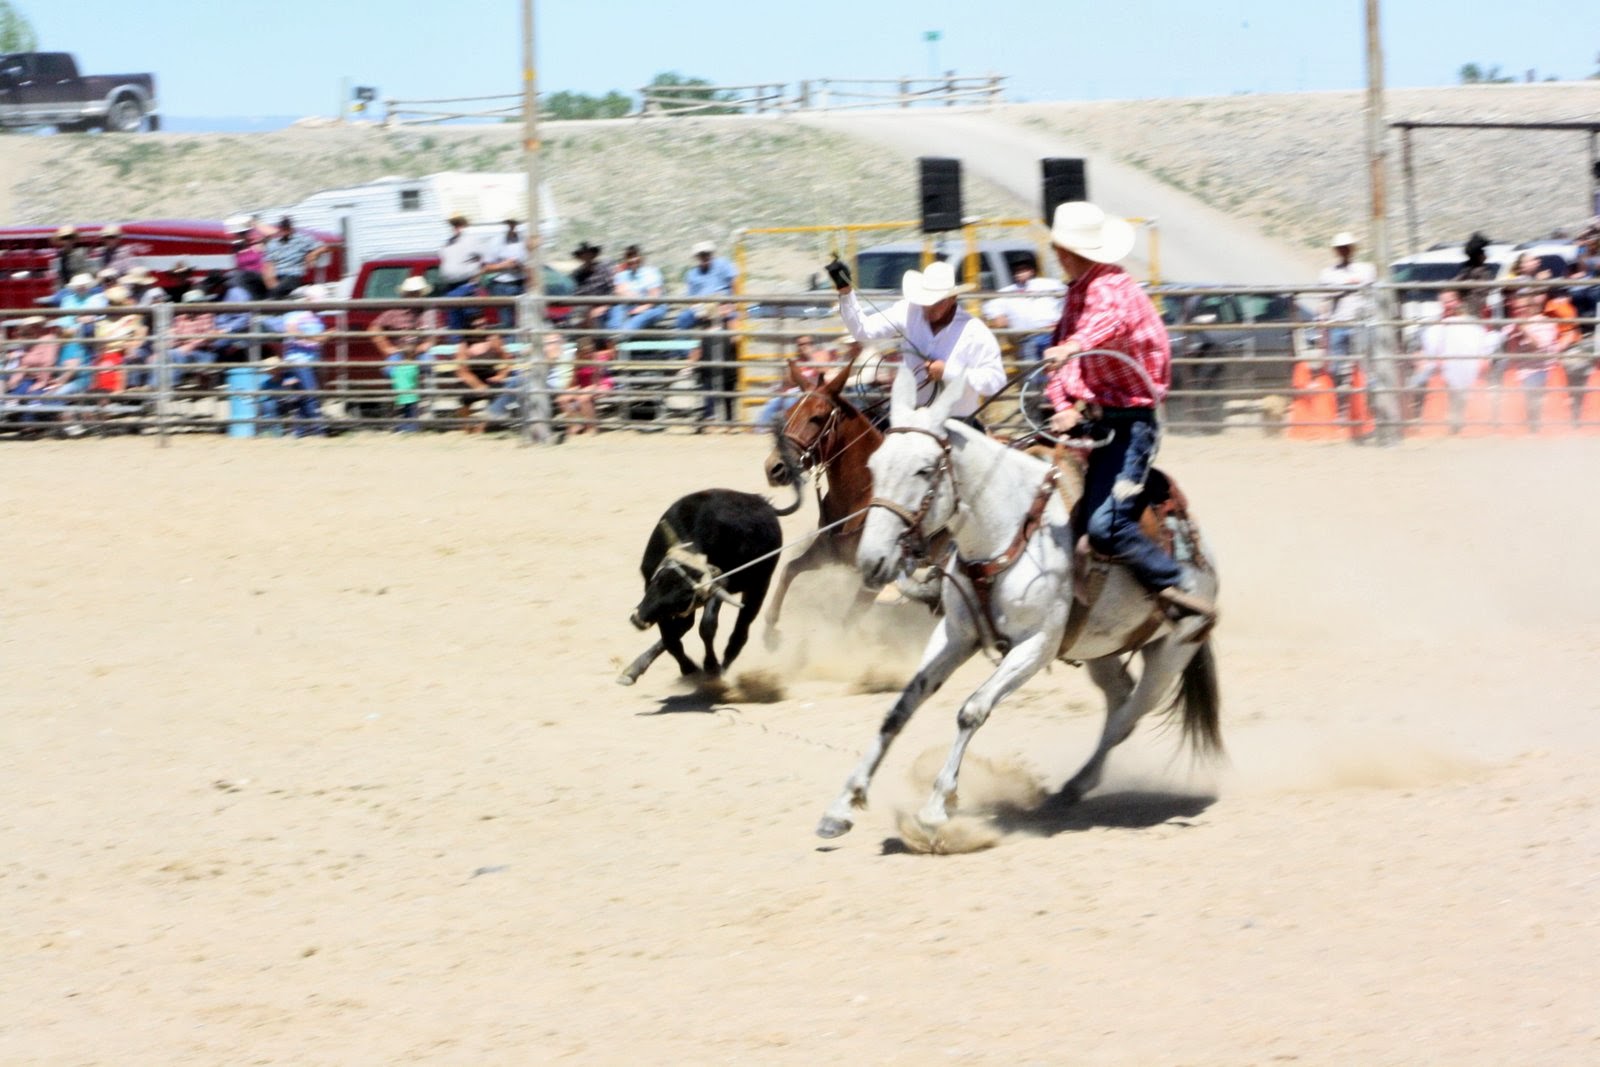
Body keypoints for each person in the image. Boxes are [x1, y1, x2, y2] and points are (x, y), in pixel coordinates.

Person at [1037, 200, 1212, 624]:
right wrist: (1061, 405)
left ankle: (1175, 581)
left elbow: (1107, 325)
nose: (1058, 254)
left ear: (1072, 251)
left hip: (1131, 425)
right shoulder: (1077, 293)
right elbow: (1060, 355)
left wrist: (1074, 348)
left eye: (1062, 247)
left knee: (1105, 526)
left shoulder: (1113, 287)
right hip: (1093, 420)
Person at [825, 255, 1005, 428]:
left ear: (952, 299)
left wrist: (949, 372)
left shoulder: (974, 331)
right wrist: (846, 292)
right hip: (910, 419)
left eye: (937, 302)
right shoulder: (909, 311)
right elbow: (863, 330)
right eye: (926, 301)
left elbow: (995, 382)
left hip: (955, 422)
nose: (929, 307)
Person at [1404, 289, 1494, 434]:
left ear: (1458, 301)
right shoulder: (1433, 324)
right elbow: (1419, 347)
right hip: (1439, 366)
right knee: (1417, 381)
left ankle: (1462, 420)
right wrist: (1421, 359)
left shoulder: (1471, 323)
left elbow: (1481, 346)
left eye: (1450, 301)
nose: (1447, 305)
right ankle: (1419, 417)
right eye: (1444, 302)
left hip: (1464, 366)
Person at [1317, 231, 1377, 423]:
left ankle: (1365, 409)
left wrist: (1341, 286)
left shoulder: (1365, 269)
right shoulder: (1329, 273)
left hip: (1360, 322)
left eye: (1346, 247)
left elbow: (1365, 286)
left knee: (1364, 368)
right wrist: (1349, 284)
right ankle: (1341, 409)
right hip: (1339, 323)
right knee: (1335, 368)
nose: (1344, 251)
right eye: (1341, 248)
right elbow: (1328, 292)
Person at [982, 251, 1066, 364]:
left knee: (1055, 369)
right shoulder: (1007, 292)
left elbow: (1068, 298)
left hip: (1050, 334)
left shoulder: (1050, 284)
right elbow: (993, 310)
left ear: (1032, 270)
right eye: (1017, 270)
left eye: (1023, 269)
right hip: (1027, 338)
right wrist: (997, 315)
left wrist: (1062, 321)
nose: (1020, 273)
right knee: (1031, 374)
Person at [755, 334, 835, 430]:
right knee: (773, 403)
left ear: (812, 344)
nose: (803, 346)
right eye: (800, 345)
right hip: (798, 391)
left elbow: (823, 370)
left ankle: (791, 429)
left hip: (815, 391)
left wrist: (810, 357)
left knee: (790, 401)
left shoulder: (820, 356)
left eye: (806, 343)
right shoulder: (796, 362)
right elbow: (790, 381)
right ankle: (760, 430)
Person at [275, 287, 327, 435]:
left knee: (302, 394)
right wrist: (315, 338)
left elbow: (318, 339)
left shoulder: (317, 317)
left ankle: (300, 429)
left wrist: (319, 339)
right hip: (297, 360)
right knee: (310, 392)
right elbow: (292, 332)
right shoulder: (296, 315)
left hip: (310, 360)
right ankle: (317, 428)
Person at [557, 335, 616, 435]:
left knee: (583, 398)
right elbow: (574, 380)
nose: (588, 354)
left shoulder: (598, 358)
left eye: (590, 352)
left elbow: (597, 379)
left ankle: (592, 427)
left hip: (601, 384)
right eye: (585, 353)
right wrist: (571, 389)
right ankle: (575, 425)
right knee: (563, 399)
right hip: (584, 386)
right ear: (580, 352)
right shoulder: (577, 361)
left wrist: (588, 388)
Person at [438, 215, 484, 334]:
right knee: (454, 323)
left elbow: (483, 261)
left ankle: (472, 347)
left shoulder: (471, 241)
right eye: (453, 224)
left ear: (464, 225)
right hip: (450, 287)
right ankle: (457, 347)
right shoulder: (447, 243)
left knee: (472, 322)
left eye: (458, 224)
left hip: (466, 285)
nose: (456, 227)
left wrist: (474, 282)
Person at [263, 217, 328, 299]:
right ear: (280, 229)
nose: (285, 231)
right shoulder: (273, 243)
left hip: (292, 275)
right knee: (251, 280)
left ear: (291, 228)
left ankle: (269, 307)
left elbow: (324, 247)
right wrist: (270, 278)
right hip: (276, 275)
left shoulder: (302, 239)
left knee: (278, 289)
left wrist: (313, 254)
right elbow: (269, 263)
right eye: (283, 228)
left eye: (287, 228)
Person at [607, 245, 666, 334]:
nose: (633, 260)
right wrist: (632, 299)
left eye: (635, 256)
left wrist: (639, 307)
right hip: (630, 306)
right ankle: (613, 336)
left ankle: (621, 337)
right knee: (615, 315)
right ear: (626, 259)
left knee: (635, 321)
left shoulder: (651, 272)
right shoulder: (622, 275)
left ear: (641, 257)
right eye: (630, 257)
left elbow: (654, 297)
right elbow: (620, 292)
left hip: (652, 307)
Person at [569, 241, 614, 329]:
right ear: (580, 257)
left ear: (593, 255)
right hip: (584, 309)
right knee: (575, 320)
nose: (586, 257)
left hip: (604, 307)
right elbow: (575, 294)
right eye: (583, 254)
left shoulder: (604, 270)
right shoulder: (576, 274)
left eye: (588, 253)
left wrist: (604, 307)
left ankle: (602, 340)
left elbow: (612, 290)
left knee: (599, 322)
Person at [480, 219, 528, 296]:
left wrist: (520, 266)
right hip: (502, 286)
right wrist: (504, 265)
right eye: (509, 224)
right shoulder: (495, 242)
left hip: (523, 284)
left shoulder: (524, 240)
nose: (511, 227)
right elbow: (485, 268)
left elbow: (530, 265)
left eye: (514, 223)